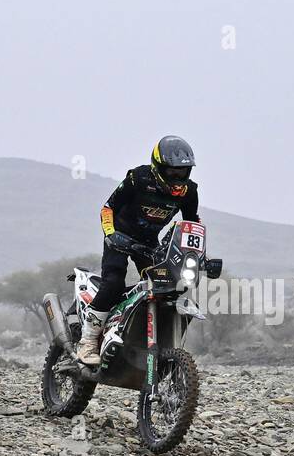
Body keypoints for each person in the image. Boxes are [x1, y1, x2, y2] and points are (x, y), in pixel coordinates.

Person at [75, 135, 200, 364]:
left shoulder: (189, 192)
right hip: (120, 236)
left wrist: (197, 256)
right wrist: (111, 235)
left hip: (150, 244)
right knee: (113, 283)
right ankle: (88, 342)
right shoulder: (138, 178)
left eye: (182, 172)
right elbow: (108, 208)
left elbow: (192, 225)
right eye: (172, 172)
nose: (178, 178)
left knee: (167, 288)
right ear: (158, 167)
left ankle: (145, 341)